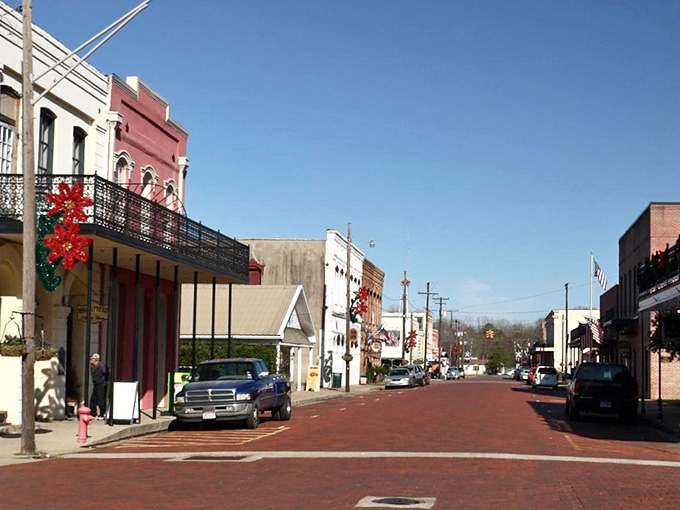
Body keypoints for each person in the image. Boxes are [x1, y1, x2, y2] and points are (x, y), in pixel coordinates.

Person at [89, 353, 109, 420]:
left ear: (96, 360)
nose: (91, 360)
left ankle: (102, 414)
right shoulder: (92, 366)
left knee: (101, 400)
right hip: (96, 384)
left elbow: (107, 372)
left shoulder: (101, 366)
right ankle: (93, 413)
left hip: (101, 384)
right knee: (93, 400)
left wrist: (106, 381)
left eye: (92, 359)